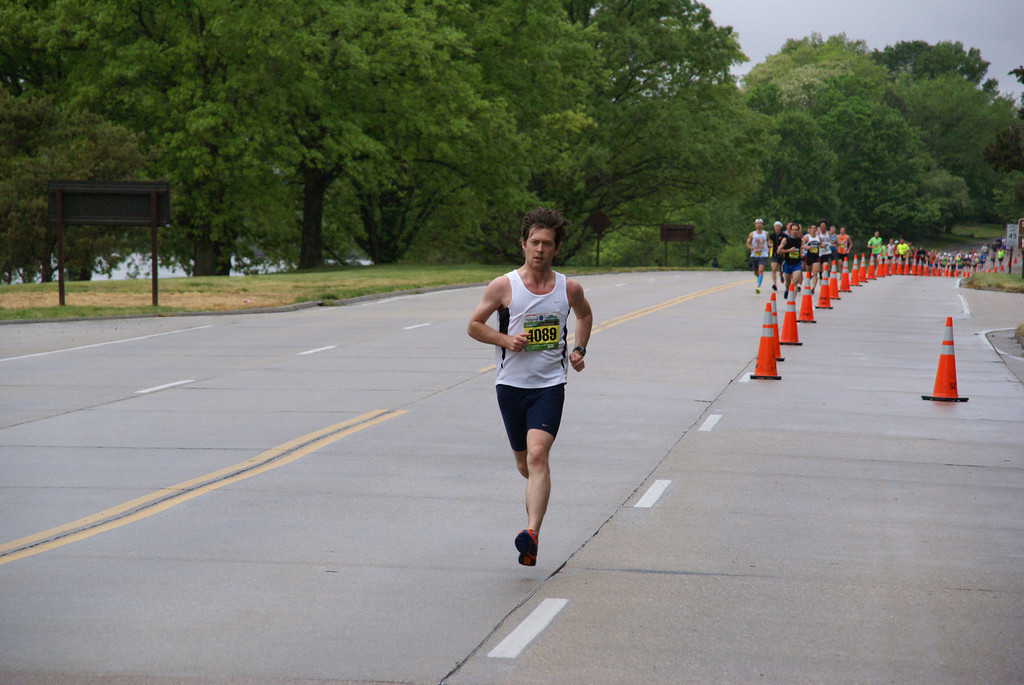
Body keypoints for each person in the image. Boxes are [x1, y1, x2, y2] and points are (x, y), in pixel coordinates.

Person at [467, 207, 593, 567]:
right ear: (523, 244)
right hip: (510, 386)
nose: (540, 249)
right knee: (525, 465)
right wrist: (506, 340)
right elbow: (474, 325)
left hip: (550, 385)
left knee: (538, 455)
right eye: (534, 242)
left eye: (547, 244)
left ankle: (532, 533)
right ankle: (533, 517)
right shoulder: (504, 286)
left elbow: (584, 315)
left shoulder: (569, 288)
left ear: (556, 249)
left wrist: (579, 348)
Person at [777, 222, 803, 296]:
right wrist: (789, 250)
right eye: (793, 230)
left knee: (795, 281)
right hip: (787, 263)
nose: (794, 231)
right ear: (790, 231)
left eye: (796, 230)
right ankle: (787, 288)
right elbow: (778, 251)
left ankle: (792, 301)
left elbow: (800, 249)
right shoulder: (785, 240)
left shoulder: (800, 240)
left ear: (798, 231)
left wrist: (801, 254)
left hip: (797, 264)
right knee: (788, 282)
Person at [746, 218, 770, 294]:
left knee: (761, 270)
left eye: (760, 223)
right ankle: (758, 278)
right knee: (756, 272)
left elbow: (768, 241)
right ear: (755, 225)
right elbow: (747, 244)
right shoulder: (752, 234)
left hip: (763, 254)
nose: (759, 225)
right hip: (754, 255)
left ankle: (758, 286)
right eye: (757, 223)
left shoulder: (765, 233)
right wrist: (753, 248)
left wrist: (769, 245)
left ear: (762, 225)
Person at [769, 221, 786, 291]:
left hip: (782, 254)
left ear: (780, 227)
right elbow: (768, 242)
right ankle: (774, 283)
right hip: (773, 253)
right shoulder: (771, 236)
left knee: (781, 268)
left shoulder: (784, 236)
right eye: (776, 226)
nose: (777, 228)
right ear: (774, 227)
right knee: (773, 268)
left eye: (778, 226)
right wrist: (769, 246)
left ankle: (781, 274)